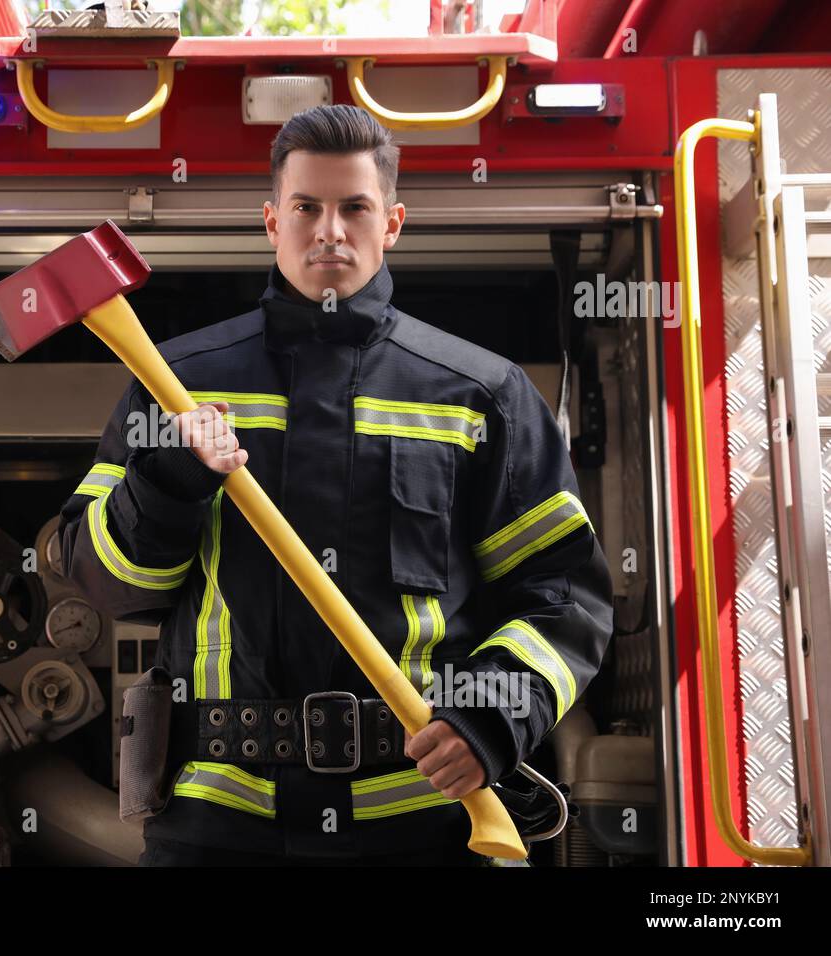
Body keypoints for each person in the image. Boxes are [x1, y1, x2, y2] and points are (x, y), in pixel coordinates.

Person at [58, 104, 613, 866]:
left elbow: (562, 596)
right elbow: (109, 587)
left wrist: (490, 715)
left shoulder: (481, 395)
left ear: (392, 223)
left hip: (419, 823)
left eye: (354, 207)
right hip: (216, 823)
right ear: (270, 220)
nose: (329, 230)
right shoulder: (177, 385)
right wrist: (171, 481)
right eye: (306, 207)